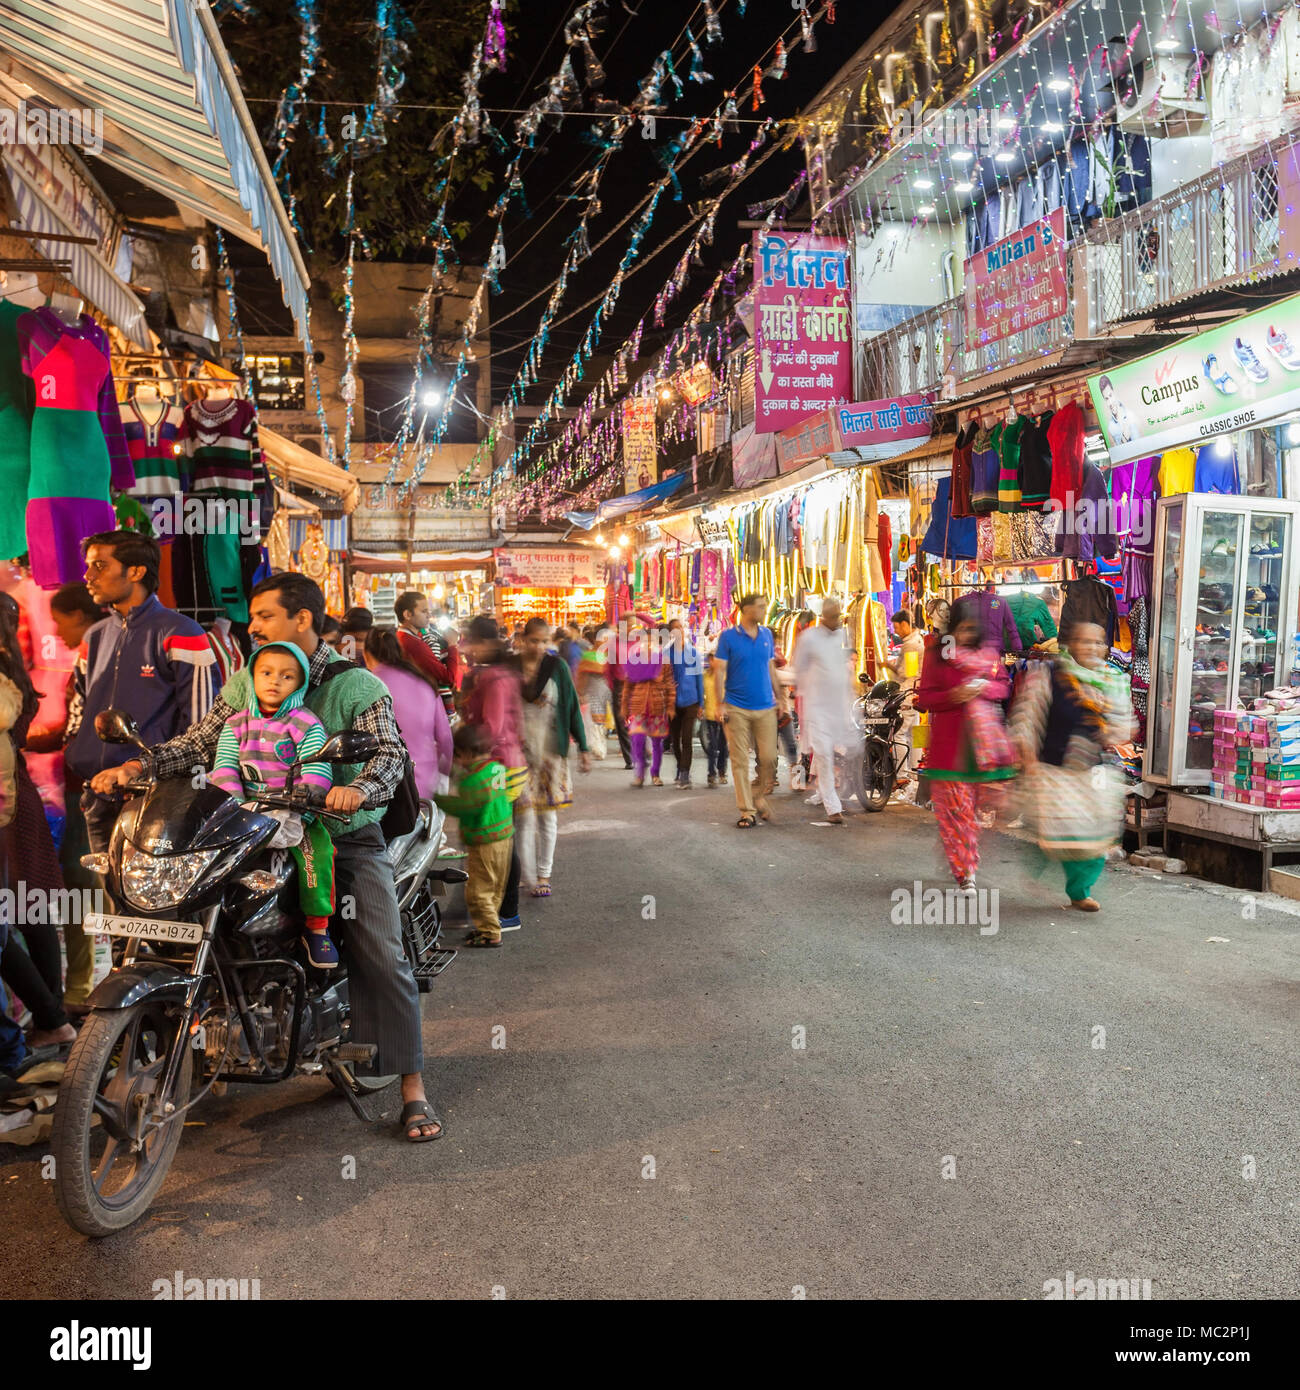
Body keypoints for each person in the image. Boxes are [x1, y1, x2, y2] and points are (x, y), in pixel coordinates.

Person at [91, 573, 442, 1142]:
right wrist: (141, 766)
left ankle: (412, 1087)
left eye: (263, 615)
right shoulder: (249, 679)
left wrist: (357, 789)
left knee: (379, 948)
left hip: (339, 832)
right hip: (255, 829)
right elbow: (201, 741)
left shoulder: (355, 685)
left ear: (302, 619)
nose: (250, 626)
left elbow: (389, 755)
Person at [69, 531, 218, 856]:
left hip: (152, 799)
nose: (88, 576)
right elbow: (78, 704)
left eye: (99, 566)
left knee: (150, 902)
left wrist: (157, 774)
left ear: (135, 571)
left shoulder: (182, 634)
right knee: (108, 902)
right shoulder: (94, 637)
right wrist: (76, 747)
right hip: (97, 793)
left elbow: (203, 728)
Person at [208, 641, 340, 969]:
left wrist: (309, 792)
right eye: (266, 673)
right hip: (245, 815)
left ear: (300, 684)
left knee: (316, 857)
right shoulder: (235, 724)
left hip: (296, 813)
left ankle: (317, 928)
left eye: (286, 676)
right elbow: (224, 766)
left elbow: (317, 764)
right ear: (252, 677)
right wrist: (234, 804)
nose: (274, 681)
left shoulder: (305, 724)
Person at [1008, 620, 1131, 911]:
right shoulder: (1048, 674)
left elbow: (1124, 726)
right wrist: (1027, 759)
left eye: (1098, 642)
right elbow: (1028, 717)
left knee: (1095, 832)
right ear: (1071, 645)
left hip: (1091, 770)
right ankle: (1039, 871)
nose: (1091, 647)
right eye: (1085, 641)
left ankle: (1080, 891)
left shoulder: (1112, 680)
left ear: (1105, 648)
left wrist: (1111, 730)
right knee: (1056, 830)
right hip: (1052, 767)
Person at [24, 584, 103, 1015]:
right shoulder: (92, 654)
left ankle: (79, 990)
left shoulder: (99, 654)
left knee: (83, 884)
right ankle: (81, 986)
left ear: (80, 616)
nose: (55, 629)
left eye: (61, 620)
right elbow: (78, 726)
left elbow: (83, 727)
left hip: (92, 789)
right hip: (83, 786)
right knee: (87, 885)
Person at [0, 592, 74, 1049]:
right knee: (29, 912)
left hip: (8, 805)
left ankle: (51, 1017)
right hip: (18, 799)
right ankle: (54, 1019)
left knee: (14, 917)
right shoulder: (13, 671)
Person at [912, 596, 1017, 891]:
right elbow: (926, 697)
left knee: (970, 816)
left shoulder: (988, 654)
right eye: (961, 629)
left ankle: (963, 859)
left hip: (982, 751)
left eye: (972, 630)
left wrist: (985, 687)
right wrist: (952, 696)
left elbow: (1004, 686)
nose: (966, 635)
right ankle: (964, 871)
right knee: (954, 814)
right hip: (950, 750)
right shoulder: (937, 654)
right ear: (952, 627)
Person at [460, 614, 527, 932]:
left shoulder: (495, 678)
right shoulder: (497, 674)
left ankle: (507, 909)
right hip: (507, 763)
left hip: (498, 766)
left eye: (471, 642)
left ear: (485, 643)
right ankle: (501, 906)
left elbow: (493, 728)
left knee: (498, 839)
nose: (468, 648)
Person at [516, 616, 589, 895]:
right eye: (533, 640)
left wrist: (583, 748)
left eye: (544, 641)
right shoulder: (513, 668)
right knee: (523, 816)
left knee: (546, 816)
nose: (538, 646)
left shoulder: (556, 667)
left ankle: (543, 874)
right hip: (520, 754)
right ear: (523, 640)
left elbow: (571, 707)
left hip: (550, 753)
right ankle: (527, 875)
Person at [434, 724, 514, 947]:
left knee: (477, 890)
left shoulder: (472, 782)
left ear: (467, 754)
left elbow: (466, 807)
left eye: (458, 756)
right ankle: (489, 923)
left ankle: (490, 932)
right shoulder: (497, 769)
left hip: (484, 841)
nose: (457, 761)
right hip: (505, 837)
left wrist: (440, 800)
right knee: (495, 886)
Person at [713, 593, 786, 828]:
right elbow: (719, 671)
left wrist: (781, 697)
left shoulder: (766, 635)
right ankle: (747, 811)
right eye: (761, 607)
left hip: (765, 706)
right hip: (737, 707)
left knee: (769, 759)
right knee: (740, 761)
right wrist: (719, 702)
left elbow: (771, 668)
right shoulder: (728, 637)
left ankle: (759, 796)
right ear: (745, 609)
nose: (765, 610)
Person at [363, 627, 453, 798]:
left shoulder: (366, 686)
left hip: (379, 789)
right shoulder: (424, 682)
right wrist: (443, 776)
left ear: (367, 654)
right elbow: (446, 740)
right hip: (423, 785)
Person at [793, 598, 856, 825]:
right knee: (824, 755)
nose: (838, 619)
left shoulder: (841, 636)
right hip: (817, 708)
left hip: (838, 707)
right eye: (834, 615)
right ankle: (832, 807)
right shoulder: (809, 638)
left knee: (839, 753)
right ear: (824, 616)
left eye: (839, 615)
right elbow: (798, 668)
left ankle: (826, 793)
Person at [621, 624, 676, 788]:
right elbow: (627, 686)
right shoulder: (635, 661)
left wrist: (671, 705)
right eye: (646, 640)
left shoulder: (663, 661)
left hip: (657, 708)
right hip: (638, 708)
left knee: (657, 744)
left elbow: (669, 685)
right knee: (637, 741)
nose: (649, 643)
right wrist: (624, 706)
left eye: (652, 640)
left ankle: (655, 773)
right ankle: (639, 773)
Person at [393, 591, 454, 713]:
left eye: (428, 611)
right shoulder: (413, 644)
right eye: (424, 611)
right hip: (422, 707)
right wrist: (452, 645)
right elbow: (448, 677)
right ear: (408, 614)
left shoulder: (405, 637)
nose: (428, 615)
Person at [887, 608, 927, 784]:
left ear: (904, 624)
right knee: (915, 734)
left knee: (898, 734)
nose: (896, 631)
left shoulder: (911, 644)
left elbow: (907, 672)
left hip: (907, 695)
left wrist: (888, 666)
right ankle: (914, 772)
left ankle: (902, 774)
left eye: (896, 627)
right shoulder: (919, 639)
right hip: (916, 693)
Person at [667, 619, 703, 788]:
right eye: (674, 629)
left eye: (680, 627)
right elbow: (661, 676)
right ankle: (680, 766)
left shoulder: (693, 653)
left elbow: (699, 678)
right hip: (673, 702)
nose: (678, 631)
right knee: (675, 740)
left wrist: (701, 703)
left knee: (687, 738)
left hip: (691, 700)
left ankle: (684, 773)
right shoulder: (666, 654)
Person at [575, 627, 613, 760]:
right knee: (594, 723)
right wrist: (580, 692)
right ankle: (598, 748)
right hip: (592, 692)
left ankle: (599, 747)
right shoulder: (589, 655)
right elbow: (582, 675)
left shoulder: (611, 655)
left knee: (601, 723)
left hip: (606, 691)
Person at [699, 640, 729, 788]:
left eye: (715, 658)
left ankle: (722, 771)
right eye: (710, 658)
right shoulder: (705, 676)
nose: (712, 661)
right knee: (712, 746)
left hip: (725, 715)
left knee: (723, 746)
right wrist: (701, 707)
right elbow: (702, 694)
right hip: (710, 715)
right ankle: (711, 773)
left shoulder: (726, 676)